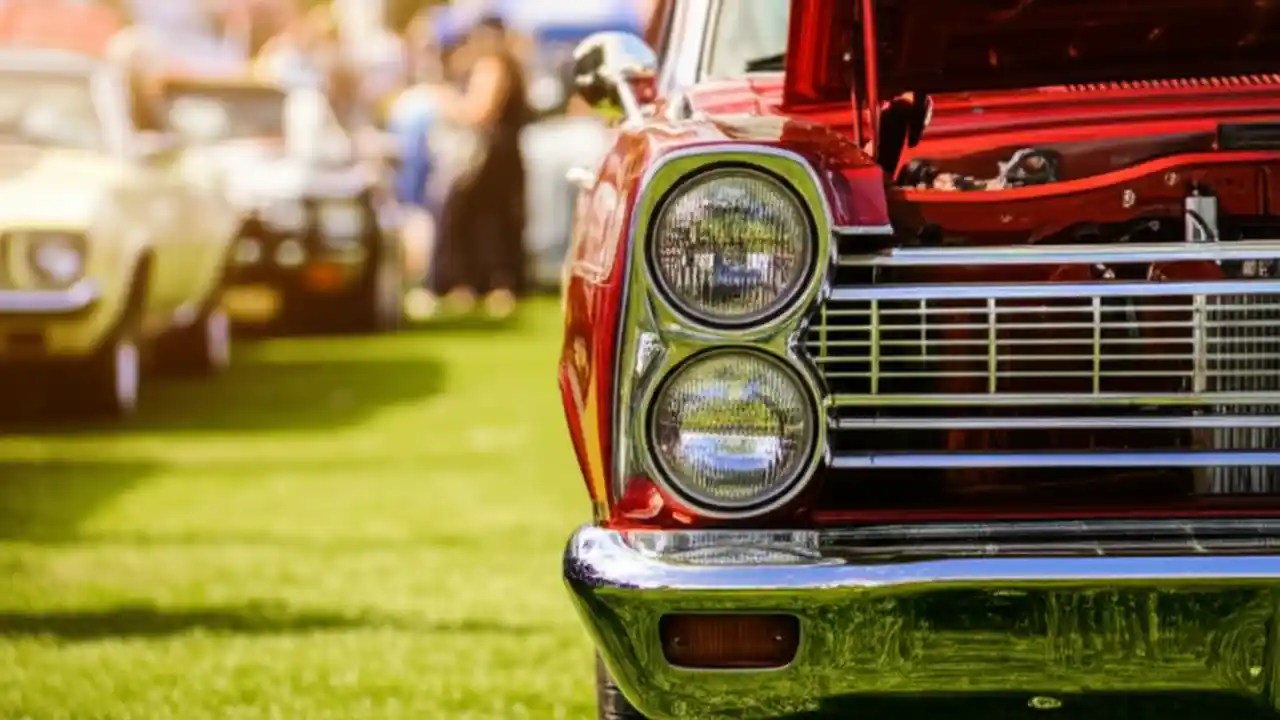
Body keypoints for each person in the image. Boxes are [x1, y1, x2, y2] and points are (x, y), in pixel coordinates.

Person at [427, 14, 531, 320]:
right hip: (502, 157)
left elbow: (480, 111)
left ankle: (477, 285)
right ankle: (493, 285)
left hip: (489, 158)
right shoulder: (510, 65)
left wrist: (447, 105)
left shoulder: (493, 66)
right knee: (495, 223)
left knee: (476, 221)